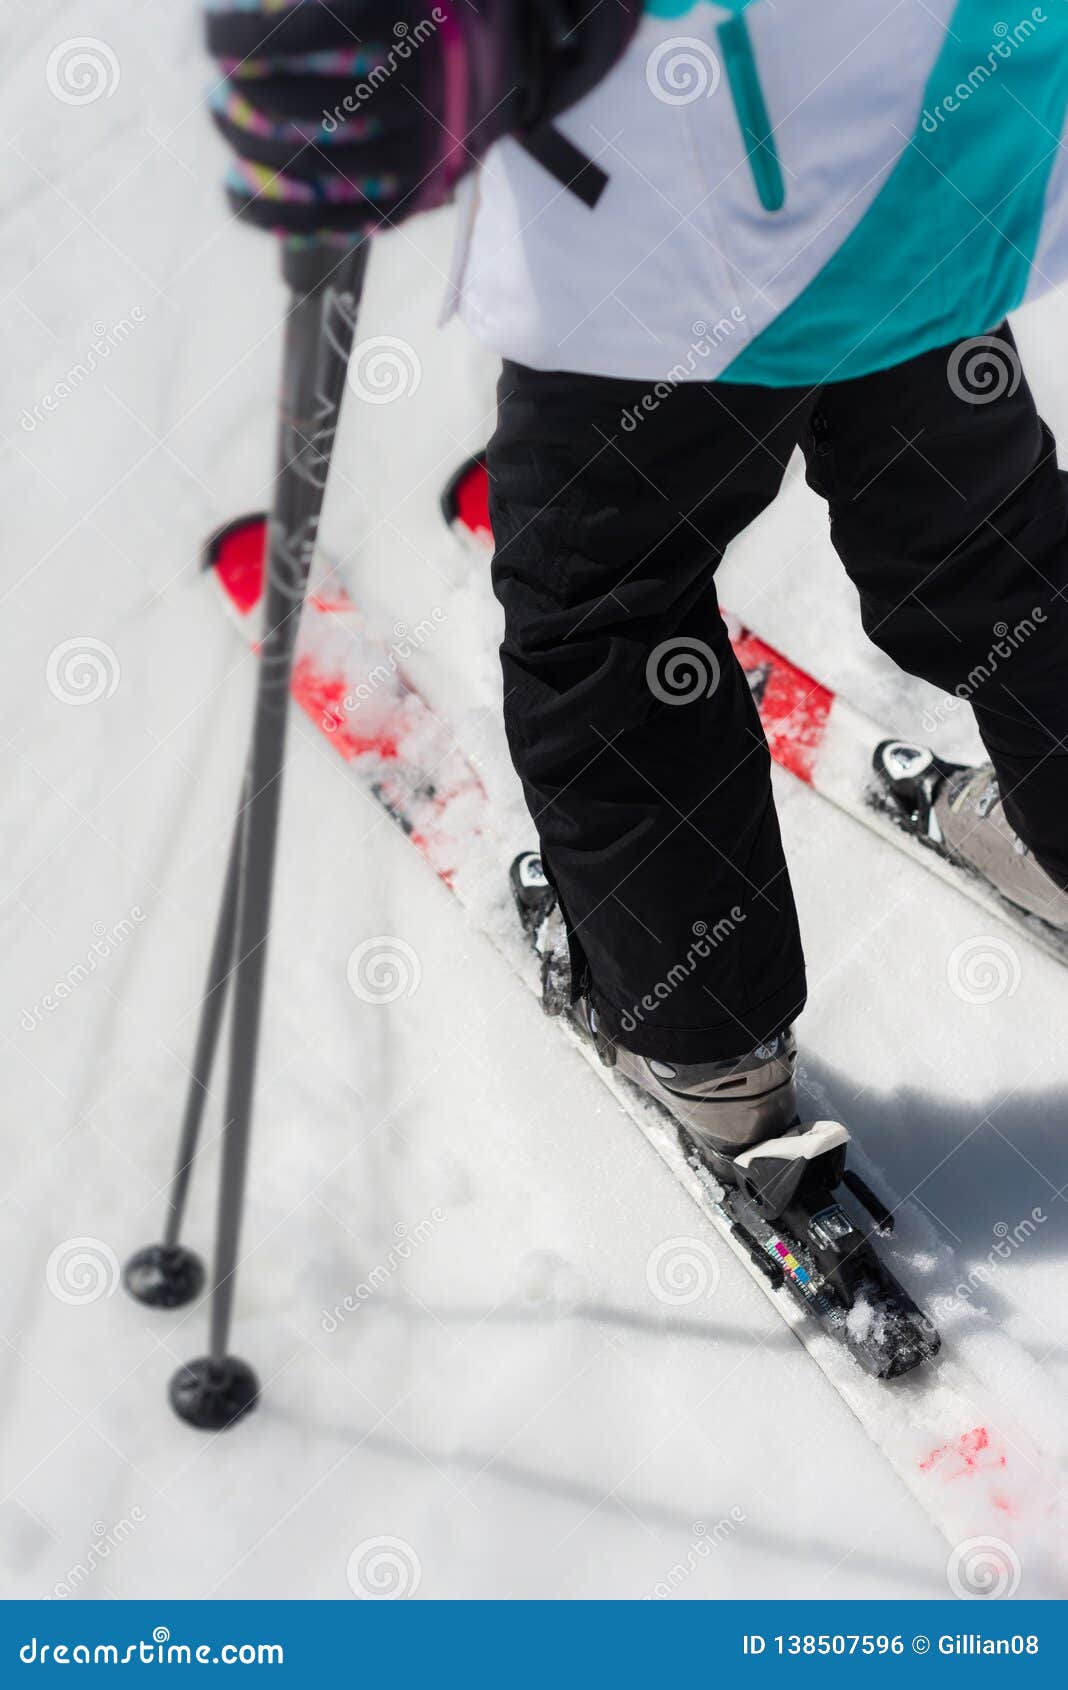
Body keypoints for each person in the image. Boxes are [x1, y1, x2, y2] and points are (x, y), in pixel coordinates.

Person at [205, 2, 1068, 1211]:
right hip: (947, 123)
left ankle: (709, 1043)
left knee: (609, 613)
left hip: (694, 213)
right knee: (990, 539)